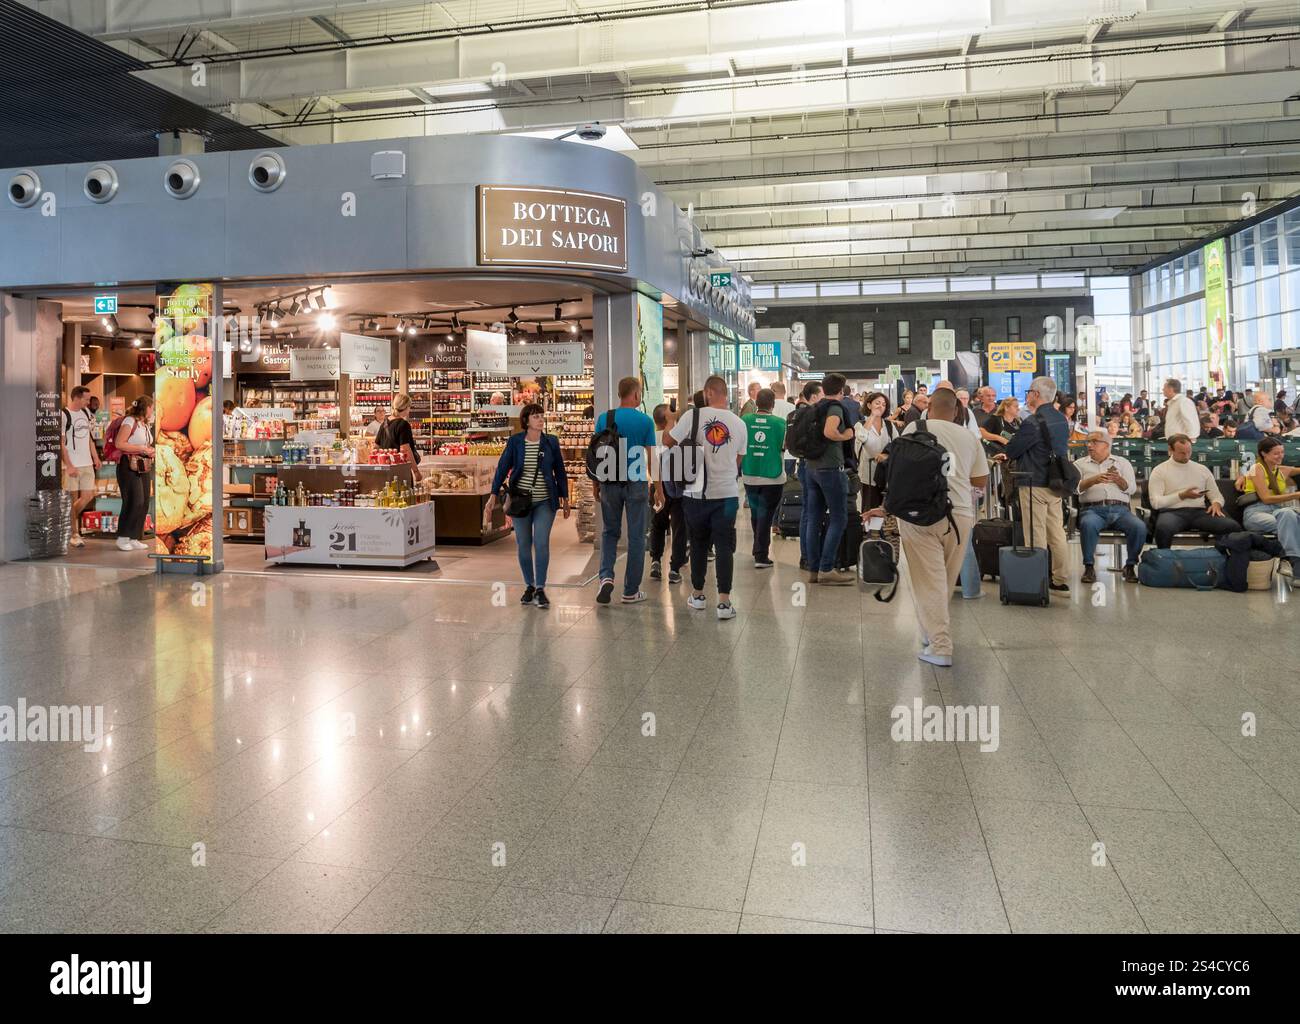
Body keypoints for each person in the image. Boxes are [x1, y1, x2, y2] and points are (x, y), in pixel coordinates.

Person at [865, 388, 988, 667]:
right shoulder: (969, 437)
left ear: (928, 406)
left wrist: (886, 508)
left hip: (918, 514)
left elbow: (901, 474)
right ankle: (930, 634)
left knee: (927, 581)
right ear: (957, 411)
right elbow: (980, 481)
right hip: (959, 515)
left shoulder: (914, 427)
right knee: (941, 581)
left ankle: (941, 645)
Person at [666, 375, 747, 619]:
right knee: (724, 546)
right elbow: (738, 460)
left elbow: (667, 441)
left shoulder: (692, 417)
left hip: (695, 493)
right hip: (726, 495)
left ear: (709, 392)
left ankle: (698, 595)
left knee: (699, 543)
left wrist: (671, 420)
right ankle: (724, 602)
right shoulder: (739, 423)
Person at [485, 403, 570, 608]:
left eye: (541, 416)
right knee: (523, 544)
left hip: (544, 502)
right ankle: (529, 585)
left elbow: (559, 470)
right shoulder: (515, 442)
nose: (540, 419)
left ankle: (540, 587)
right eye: (535, 416)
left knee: (541, 543)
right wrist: (493, 494)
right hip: (520, 502)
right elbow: (503, 467)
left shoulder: (551, 442)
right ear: (526, 421)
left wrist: (565, 498)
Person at [999, 376, 1071, 593]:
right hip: (1056, 482)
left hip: (1033, 482)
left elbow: (1013, 449)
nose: (1027, 395)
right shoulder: (1061, 419)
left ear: (1036, 394)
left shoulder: (1033, 421)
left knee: (1035, 532)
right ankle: (1060, 579)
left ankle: (1038, 579)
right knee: (1056, 531)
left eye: (1029, 391)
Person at [594, 376, 658, 606]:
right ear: (636, 395)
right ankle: (630, 591)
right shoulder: (644, 421)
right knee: (636, 537)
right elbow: (652, 460)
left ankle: (606, 577)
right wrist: (658, 489)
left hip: (609, 482)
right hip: (636, 483)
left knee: (609, 533)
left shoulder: (604, 418)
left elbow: (596, 454)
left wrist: (596, 485)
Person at [804, 373, 856, 586]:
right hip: (830, 469)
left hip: (811, 467)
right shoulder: (834, 408)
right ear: (841, 390)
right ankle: (827, 568)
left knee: (814, 519)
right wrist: (847, 435)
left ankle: (814, 569)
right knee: (838, 518)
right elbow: (829, 431)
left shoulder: (815, 407)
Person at [1074, 430, 1145, 584]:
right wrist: (1094, 480)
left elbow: (1132, 489)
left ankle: (1130, 565)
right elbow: (1075, 489)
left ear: (1106, 445)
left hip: (1121, 510)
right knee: (1088, 524)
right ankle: (1089, 567)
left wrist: (1119, 480)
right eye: (1088, 442)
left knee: (1138, 526)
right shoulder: (1079, 464)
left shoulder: (1122, 463)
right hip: (1092, 510)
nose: (1089, 445)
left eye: (1094, 442)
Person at [1147, 434, 1240, 547]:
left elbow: (1216, 496)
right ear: (1170, 450)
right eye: (1182, 453)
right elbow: (1156, 503)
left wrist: (1216, 504)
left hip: (1199, 512)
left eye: (1189, 452)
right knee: (1163, 529)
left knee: (1232, 526)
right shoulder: (1159, 471)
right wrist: (1182, 495)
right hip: (1172, 512)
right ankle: (1163, 559)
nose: (1186, 456)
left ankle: (1224, 557)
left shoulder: (1202, 469)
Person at [1241, 436, 1300, 580]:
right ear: (1263, 454)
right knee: (1291, 522)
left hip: (1277, 512)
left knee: (1288, 515)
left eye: (1282, 452)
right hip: (1256, 512)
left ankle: (1287, 560)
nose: (1280, 456)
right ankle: (1294, 564)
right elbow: (1266, 498)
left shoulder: (1282, 470)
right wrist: (1296, 495)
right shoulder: (1256, 468)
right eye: (1276, 453)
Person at [741, 388, 787, 569]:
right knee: (766, 515)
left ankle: (757, 548)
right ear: (772, 404)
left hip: (750, 474)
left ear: (756, 403)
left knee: (755, 513)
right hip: (773, 476)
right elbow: (784, 446)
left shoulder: (744, 421)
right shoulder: (780, 423)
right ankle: (761, 554)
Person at [649, 403, 687, 584]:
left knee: (658, 525)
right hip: (677, 488)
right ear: (667, 419)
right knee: (679, 529)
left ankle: (655, 560)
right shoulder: (674, 436)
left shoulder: (651, 437)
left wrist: (657, 489)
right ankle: (674, 568)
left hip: (656, 487)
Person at [113, 395, 155, 552]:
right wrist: (142, 449)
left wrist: (149, 451)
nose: (153, 410)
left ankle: (135, 536)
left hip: (142, 465)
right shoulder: (130, 421)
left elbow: (144, 443)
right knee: (133, 500)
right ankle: (123, 537)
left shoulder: (144, 425)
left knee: (144, 500)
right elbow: (119, 443)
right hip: (127, 465)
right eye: (152, 407)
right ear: (146, 408)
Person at [61, 385, 100, 548]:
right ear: (77, 398)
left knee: (88, 495)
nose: (88, 401)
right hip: (73, 464)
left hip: (87, 463)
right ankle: (73, 534)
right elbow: (61, 443)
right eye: (86, 398)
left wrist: (95, 457)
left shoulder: (86, 413)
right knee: (72, 498)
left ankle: (67, 520)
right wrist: (69, 465)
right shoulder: (64, 415)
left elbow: (90, 439)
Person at [794, 380, 824, 571]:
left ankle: (806, 555)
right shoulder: (812, 415)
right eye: (822, 395)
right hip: (812, 466)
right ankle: (808, 556)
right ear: (813, 397)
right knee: (811, 512)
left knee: (808, 511)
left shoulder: (797, 414)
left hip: (803, 465)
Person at [375, 393, 422, 482]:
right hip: (400, 471)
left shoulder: (384, 423)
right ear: (405, 407)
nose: (409, 410)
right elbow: (405, 449)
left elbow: (376, 447)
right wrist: (416, 471)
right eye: (409, 407)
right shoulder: (403, 424)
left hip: (386, 471)